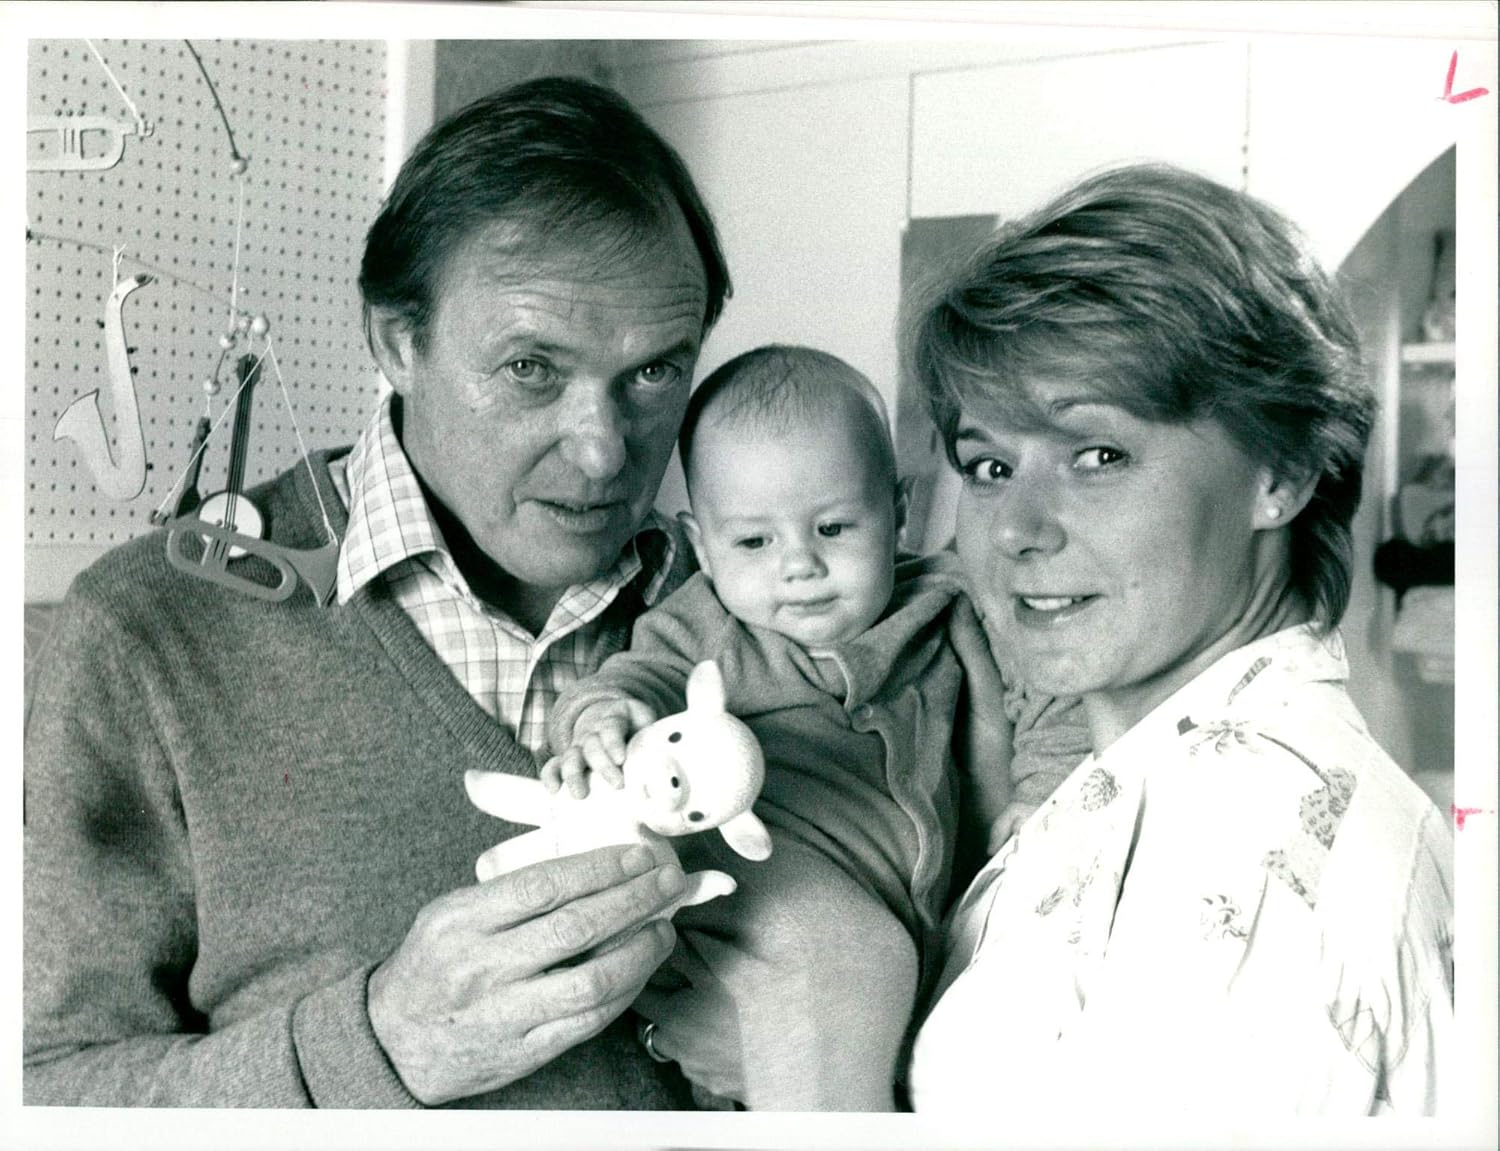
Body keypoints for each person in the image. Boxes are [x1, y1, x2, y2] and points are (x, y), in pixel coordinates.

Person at [24, 76, 735, 1108]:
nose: (602, 449)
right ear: (398, 342)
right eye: (533, 367)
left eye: (656, 372)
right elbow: (42, 1093)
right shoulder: (148, 633)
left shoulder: (759, 611)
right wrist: (375, 1050)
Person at [903, 164, 1454, 1117]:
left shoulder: (1253, 862)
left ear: (1280, 470)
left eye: (1098, 455)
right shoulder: (1156, 782)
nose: (1013, 529)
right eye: (989, 464)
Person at [536, 345, 1088, 1110]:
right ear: (701, 544)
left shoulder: (949, 604)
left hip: (900, 929)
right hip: (758, 894)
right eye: (754, 542)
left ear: (897, 509)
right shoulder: (702, 627)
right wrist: (603, 721)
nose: (799, 566)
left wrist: (1044, 797)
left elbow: (1049, 696)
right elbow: (629, 684)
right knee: (854, 958)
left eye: (832, 527)